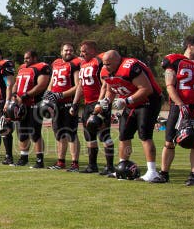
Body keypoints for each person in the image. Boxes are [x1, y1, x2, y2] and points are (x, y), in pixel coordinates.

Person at [100, 49, 164, 181]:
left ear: (118, 61)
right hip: (131, 103)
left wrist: (126, 100)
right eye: (104, 64)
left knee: (145, 135)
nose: (105, 67)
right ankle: (122, 167)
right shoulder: (106, 71)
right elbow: (111, 89)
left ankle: (152, 172)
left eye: (108, 64)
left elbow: (147, 89)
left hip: (148, 101)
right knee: (124, 134)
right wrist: (107, 101)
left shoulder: (130, 67)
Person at [159, 35, 194, 185]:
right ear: (189, 45)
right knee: (169, 142)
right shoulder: (175, 60)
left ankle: (193, 176)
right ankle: (164, 173)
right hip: (178, 107)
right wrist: (180, 104)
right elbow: (169, 85)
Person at [10, 50, 51, 167]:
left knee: (35, 133)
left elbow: (41, 85)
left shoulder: (42, 67)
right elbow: (16, 84)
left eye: (28, 58)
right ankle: (23, 158)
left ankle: (39, 160)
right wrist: (14, 95)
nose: (25, 60)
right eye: (24, 58)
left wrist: (25, 96)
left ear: (34, 58)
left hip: (34, 104)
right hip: (21, 105)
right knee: (22, 133)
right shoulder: (22, 68)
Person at [73, 40, 108, 174]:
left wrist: (101, 102)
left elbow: (105, 84)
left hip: (99, 102)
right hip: (87, 104)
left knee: (104, 134)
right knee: (89, 135)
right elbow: (80, 86)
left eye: (85, 50)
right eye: (81, 51)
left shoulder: (99, 62)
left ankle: (109, 165)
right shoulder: (83, 64)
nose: (82, 53)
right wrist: (75, 103)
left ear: (93, 50)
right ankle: (92, 165)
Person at [48, 43, 81, 171]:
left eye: (71, 50)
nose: (69, 52)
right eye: (66, 50)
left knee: (71, 133)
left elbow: (78, 85)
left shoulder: (75, 63)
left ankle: (75, 163)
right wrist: (48, 94)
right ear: (61, 51)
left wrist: (60, 95)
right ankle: (60, 161)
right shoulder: (56, 63)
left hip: (68, 102)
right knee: (58, 133)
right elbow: (52, 81)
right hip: (56, 103)